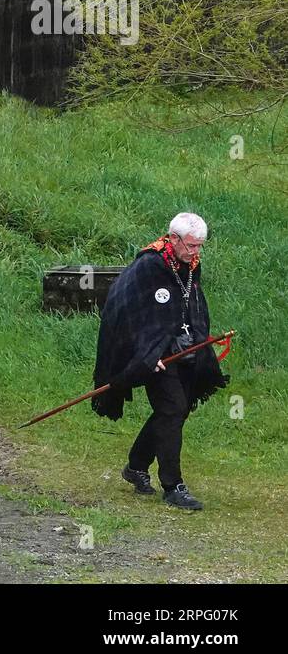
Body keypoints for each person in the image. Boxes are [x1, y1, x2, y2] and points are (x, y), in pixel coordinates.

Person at [92, 212, 228, 511]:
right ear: (174, 238)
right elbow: (128, 314)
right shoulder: (148, 266)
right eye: (191, 245)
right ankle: (173, 486)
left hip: (182, 349)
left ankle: (136, 466)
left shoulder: (190, 265)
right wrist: (148, 355)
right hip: (153, 356)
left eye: (200, 246)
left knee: (175, 412)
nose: (196, 252)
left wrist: (198, 341)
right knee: (172, 408)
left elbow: (188, 306)